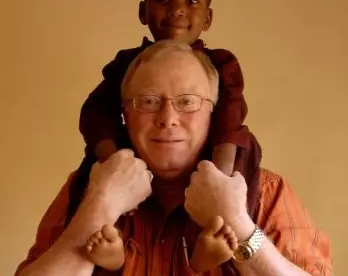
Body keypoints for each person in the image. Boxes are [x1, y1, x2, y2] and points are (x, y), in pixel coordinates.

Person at [15, 42, 332, 276]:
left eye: (187, 102)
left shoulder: (265, 192)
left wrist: (237, 221)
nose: (168, 118)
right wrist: (99, 206)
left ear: (213, 112)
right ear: (125, 114)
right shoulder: (85, 189)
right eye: (149, 101)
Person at [78, 0, 262, 223]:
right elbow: (95, 113)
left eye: (192, 1)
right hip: (136, 163)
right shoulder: (127, 64)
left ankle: (221, 229)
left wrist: (218, 180)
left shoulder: (221, 65)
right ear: (143, 11)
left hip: (209, 166)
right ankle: (103, 234)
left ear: (208, 18)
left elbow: (230, 118)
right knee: (90, 174)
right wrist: (115, 164)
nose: (177, 9)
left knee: (242, 143)